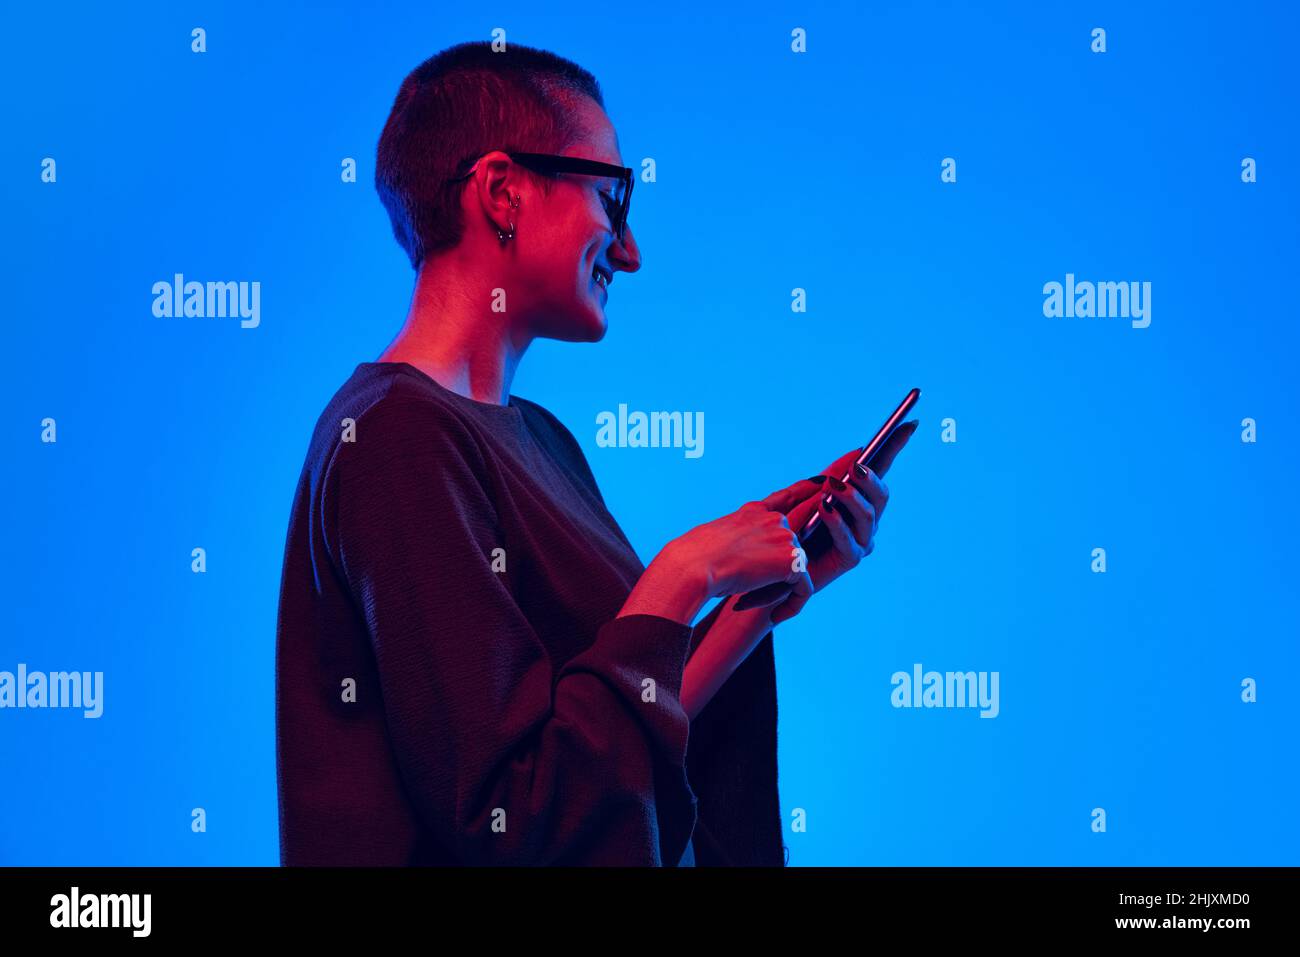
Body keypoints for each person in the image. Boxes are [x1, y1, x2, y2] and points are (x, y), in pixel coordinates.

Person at [274, 40, 917, 867]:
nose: (629, 249)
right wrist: (684, 575)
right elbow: (519, 813)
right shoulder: (395, 437)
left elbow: (617, 734)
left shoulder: (543, 440)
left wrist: (758, 599)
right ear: (503, 192)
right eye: (612, 198)